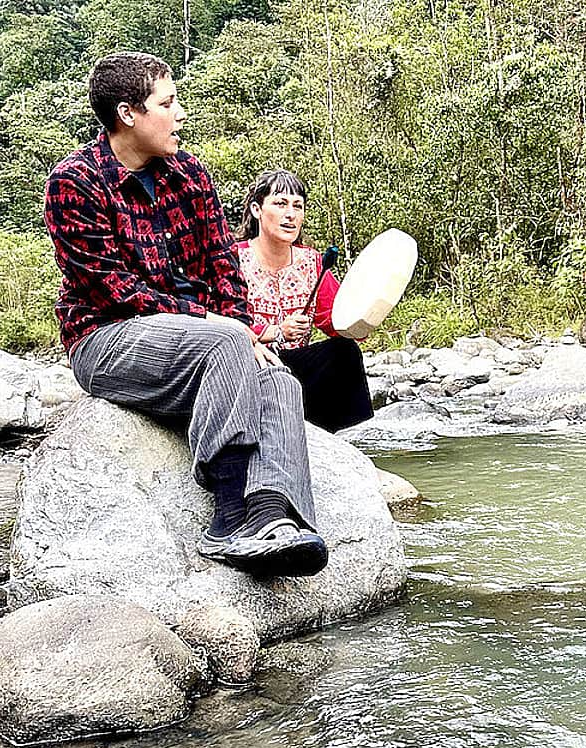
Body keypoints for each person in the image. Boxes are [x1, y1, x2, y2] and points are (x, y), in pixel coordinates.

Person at [43, 52, 327, 578]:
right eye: (167, 104)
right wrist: (222, 329)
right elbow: (109, 290)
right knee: (226, 343)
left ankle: (273, 519)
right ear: (129, 114)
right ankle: (227, 518)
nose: (179, 115)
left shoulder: (189, 173)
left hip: (199, 347)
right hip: (107, 338)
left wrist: (243, 329)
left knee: (279, 379)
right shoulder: (75, 182)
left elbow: (223, 266)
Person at [234, 169, 373, 434]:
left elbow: (337, 322)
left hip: (294, 367)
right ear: (256, 209)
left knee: (344, 352)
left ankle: (327, 439)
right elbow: (216, 319)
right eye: (280, 203)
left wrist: (367, 312)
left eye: (298, 206)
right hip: (249, 367)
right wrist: (273, 332)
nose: (290, 214)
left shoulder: (312, 262)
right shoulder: (232, 259)